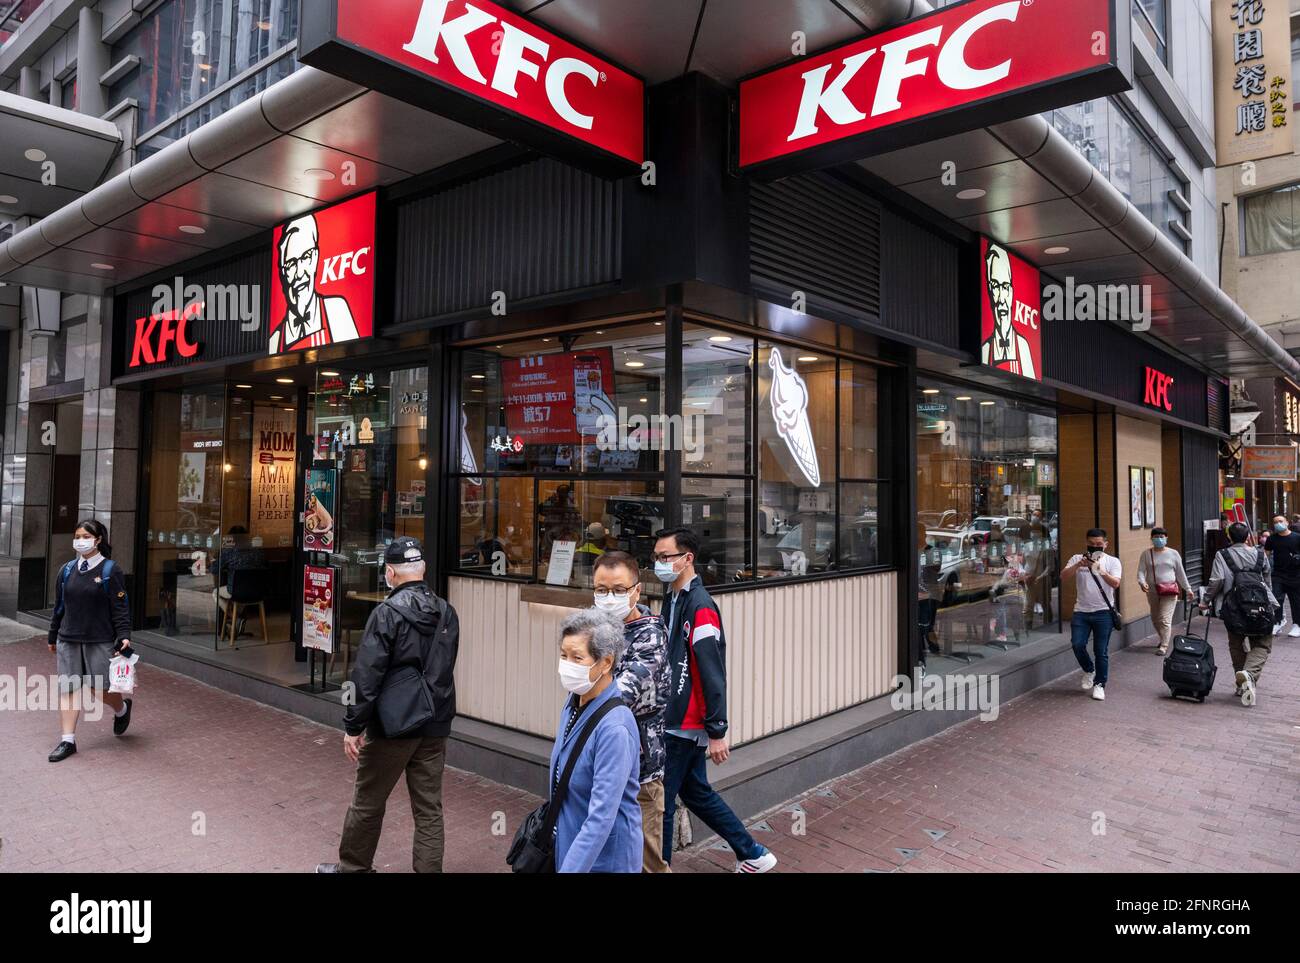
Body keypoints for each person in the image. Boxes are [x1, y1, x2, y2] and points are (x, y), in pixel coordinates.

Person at [316, 537, 459, 873]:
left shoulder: (385, 614)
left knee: (368, 801)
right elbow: (445, 665)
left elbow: (365, 677)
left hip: (394, 726)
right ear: (422, 568)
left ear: (390, 572)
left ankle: (352, 868)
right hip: (435, 722)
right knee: (428, 808)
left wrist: (353, 725)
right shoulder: (447, 612)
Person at [654, 527, 777, 873]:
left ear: (686, 559)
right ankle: (752, 853)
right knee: (696, 794)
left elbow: (712, 671)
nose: (659, 564)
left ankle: (659, 867)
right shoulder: (673, 599)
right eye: (657, 558)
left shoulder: (701, 606)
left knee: (661, 802)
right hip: (674, 717)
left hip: (684, 723)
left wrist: (717, 729)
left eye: (665, 557)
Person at [592, 551, 671, 872]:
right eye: (601, 589)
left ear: (637, 591)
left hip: (639, 774)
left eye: (619, 590)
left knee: (645, 861)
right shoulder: (593, 628)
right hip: (599, 766)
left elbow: (615, 696)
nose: (609, 597)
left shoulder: (650, 636)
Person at [551, 609, 643, 873]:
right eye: (563, 655)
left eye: (577, 657)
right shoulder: (573, 703)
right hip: (571, 847)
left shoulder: (615, 728)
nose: (567, 664)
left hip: (606, 861)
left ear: (605, 663)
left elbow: (601, 817)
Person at [46, 519, 136, 762]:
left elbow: (120, 608)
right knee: (69, 688)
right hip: (68, 639)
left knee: (100, 689)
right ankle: (68, 740)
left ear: (98, 540)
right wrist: (53, 635)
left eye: (86, 536)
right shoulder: (66, 570)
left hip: (99, 639)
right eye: (77, 536)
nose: (81, 540)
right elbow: (60, 607)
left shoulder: (110, 570)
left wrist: (124, 637)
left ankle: (122, 709)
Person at [1203, 522, 1278, 707]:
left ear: (1229, 537)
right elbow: (1267, 578)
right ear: (1247, 537)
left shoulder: (1222, 554)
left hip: (1233, 607)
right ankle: (1249, 675)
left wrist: (1206, 600)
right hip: (1261, 606)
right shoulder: (1260, 554)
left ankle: (1242, 683)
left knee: (1236, 644)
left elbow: (1217, 580)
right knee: (1262, 643)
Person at [271, 212, 360, 352]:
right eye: (290, 264)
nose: (299, 273)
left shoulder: (336, 310)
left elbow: (357, 357)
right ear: (283, 273)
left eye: (306, 257)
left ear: (316, 258)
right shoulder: (275, 340)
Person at [1061, 529, 1122, 702]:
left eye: (1099, 544)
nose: (1095, 547)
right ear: (1086, 543)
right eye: (1091, 544)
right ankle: (1089, 670)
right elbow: (1063, 576)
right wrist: (1078, 565)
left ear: (1105, 544)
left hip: (1103, 612)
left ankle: (1100, 685)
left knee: (1100, 651)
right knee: (1077, 644)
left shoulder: (1112, 561)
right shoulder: (1076, 558)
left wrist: (1099, 569)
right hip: (1081, 611)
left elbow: (1116, 583)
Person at [980, 242, 1037, 379]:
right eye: (995, 286)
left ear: (1011, 291)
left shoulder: (1023, 348)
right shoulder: (985, 350)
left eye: (1005, 287)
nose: (1001, 299)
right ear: (988, 290)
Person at [1136, 527, 1194, 656]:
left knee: (1164, 618)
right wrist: (1142, 582)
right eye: (1156, 537)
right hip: (1152, 590)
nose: (1159, 539)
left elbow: (1180, 573)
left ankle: (1164, 645)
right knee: (1155, 618)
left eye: (1162, 537)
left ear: (1166, 538)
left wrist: (1188, 589)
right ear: (1151, 539)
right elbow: (1140, 570)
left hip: (1169, 590)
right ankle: (1163, 637)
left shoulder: (1173, 554)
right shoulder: (1146, 554)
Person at [212, 525, 266, 637]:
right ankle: (236, 624)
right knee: (241, 596)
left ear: (233, 539)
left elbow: (214, 569)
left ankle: (236, 618)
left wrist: (214, 560)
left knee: (216, 593)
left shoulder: (230, 552)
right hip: (258, 591)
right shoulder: (258, 551)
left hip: (236, 591)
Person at [1264, 514, 1300, 637]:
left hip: (1295, 574)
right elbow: (1266, 555)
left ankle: (1297, 625)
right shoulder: (1271, 539)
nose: (1278, 523)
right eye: (1275, 522)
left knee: (1295, 600)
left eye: (1280, 521)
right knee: (1276, 598)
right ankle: (1278, 622)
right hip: (1278, 573)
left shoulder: (1297, 538)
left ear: (1287, 522)